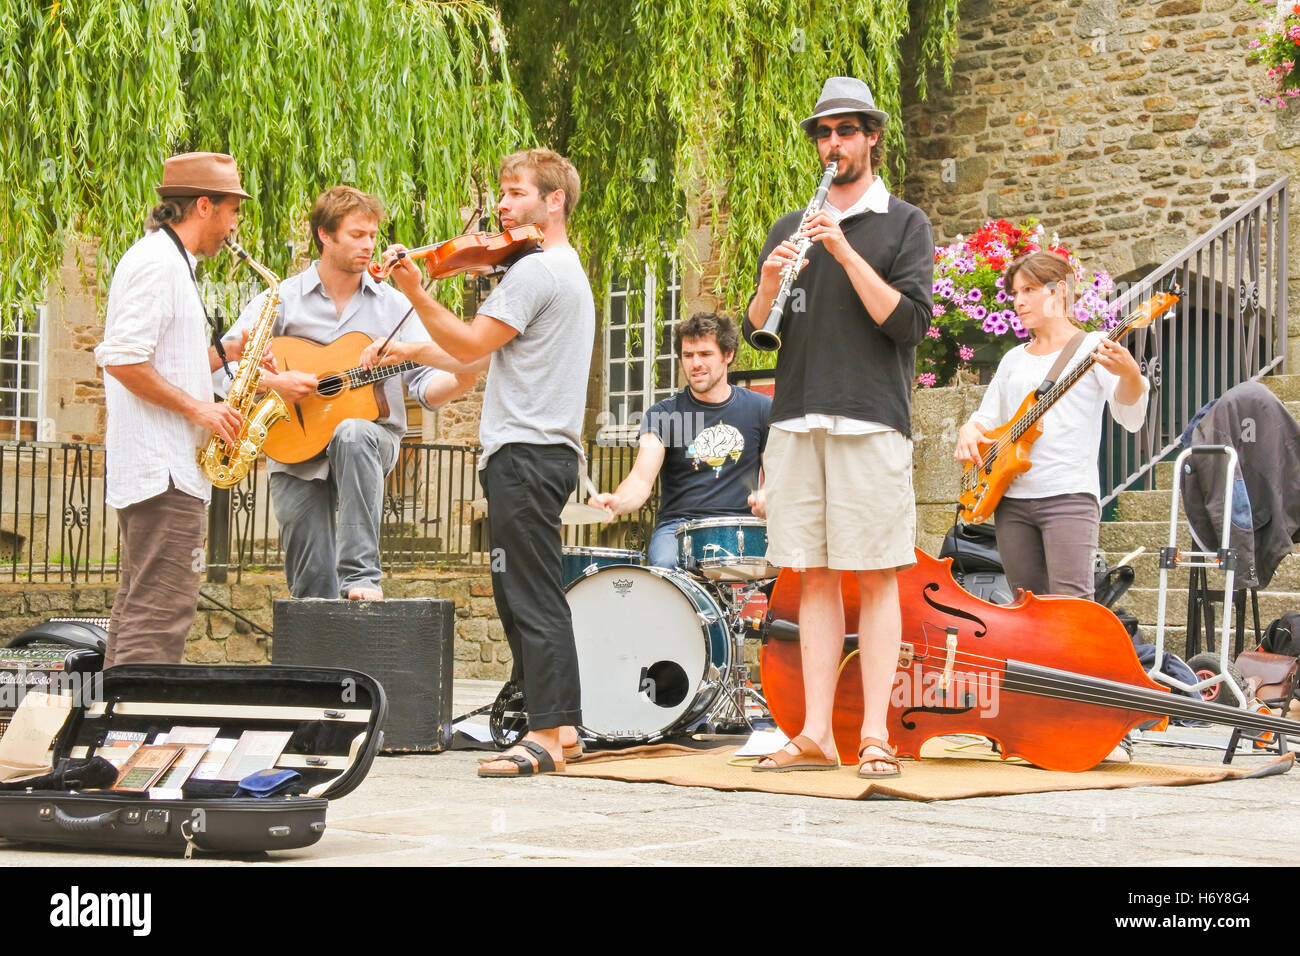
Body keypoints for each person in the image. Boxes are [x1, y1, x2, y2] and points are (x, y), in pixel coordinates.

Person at [378, 148, 595, 778]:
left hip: (527, 453)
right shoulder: (556, 268)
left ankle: (551, 734)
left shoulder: (534, 273)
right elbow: (474, 357)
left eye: (516, 193)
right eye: (501, 193)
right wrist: (414, 335)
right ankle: (556, 727)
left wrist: (415, 289)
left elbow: (472, 343)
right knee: (518, 592)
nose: (502, 206)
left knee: (532, 595)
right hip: (537, 452)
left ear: (554, 201)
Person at [743, 77, 934, 778]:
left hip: (869, 417)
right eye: (824, 133)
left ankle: (876, 733)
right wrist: (769, 282)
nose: (833, 145)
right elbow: (757, 331)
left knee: (878, 576)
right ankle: (817, 733)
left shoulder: (905, 223)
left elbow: (909, 323)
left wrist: (845, 251)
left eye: (846, 131)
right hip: (797, 414)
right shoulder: (789, 225)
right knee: (814, 575)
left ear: (872, 137)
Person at [222, 185, 481, 601]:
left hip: (372, 440)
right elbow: (229, 366)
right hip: (293, 445)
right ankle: (320, 657)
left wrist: (464, 376)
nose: (369, 246)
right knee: (310, 586)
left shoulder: (394, 305)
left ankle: (362, 577)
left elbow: (425, 386)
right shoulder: (280, 299)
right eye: (357, 235)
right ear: (325, 236)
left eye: (373, 236)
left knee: (352, 432)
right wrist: (276, 383)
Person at [95, 151, 264, 668]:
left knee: (139, 606)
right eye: (234, 210)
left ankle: (112, 730)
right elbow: (122, 358)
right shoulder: (158, 264)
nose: (236, 226)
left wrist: (227, 354)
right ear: (205, 206)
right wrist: (201, 410)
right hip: (163, 469)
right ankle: (134, 738)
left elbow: (163, 360)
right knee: (161, 611)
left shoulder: (166, 261)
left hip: (161, 467)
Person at [954, 250, 1149, 599]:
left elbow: (1129, 413)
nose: (1019, 302)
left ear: (1059, 291)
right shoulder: (1013, 359)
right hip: (1011, 499)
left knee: (1071, 605)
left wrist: (1131, 374)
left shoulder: (1094, 346)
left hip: (1069, 496)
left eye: (1029, 290)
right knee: (1024, 605)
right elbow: (986, 419)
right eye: (1015, 293)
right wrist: (970, 429)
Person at [587, 312, 771, 567]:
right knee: (664, 567)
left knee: (789, 568)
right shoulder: (663, 414)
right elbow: (641, 479)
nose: (695, 363)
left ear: (728, 355)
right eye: (688, 355)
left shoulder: (762, 409)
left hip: (741, 526)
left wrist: (767, 496)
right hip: (679, 528)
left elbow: (778, 477)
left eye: (705, 354)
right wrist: (617, 501)